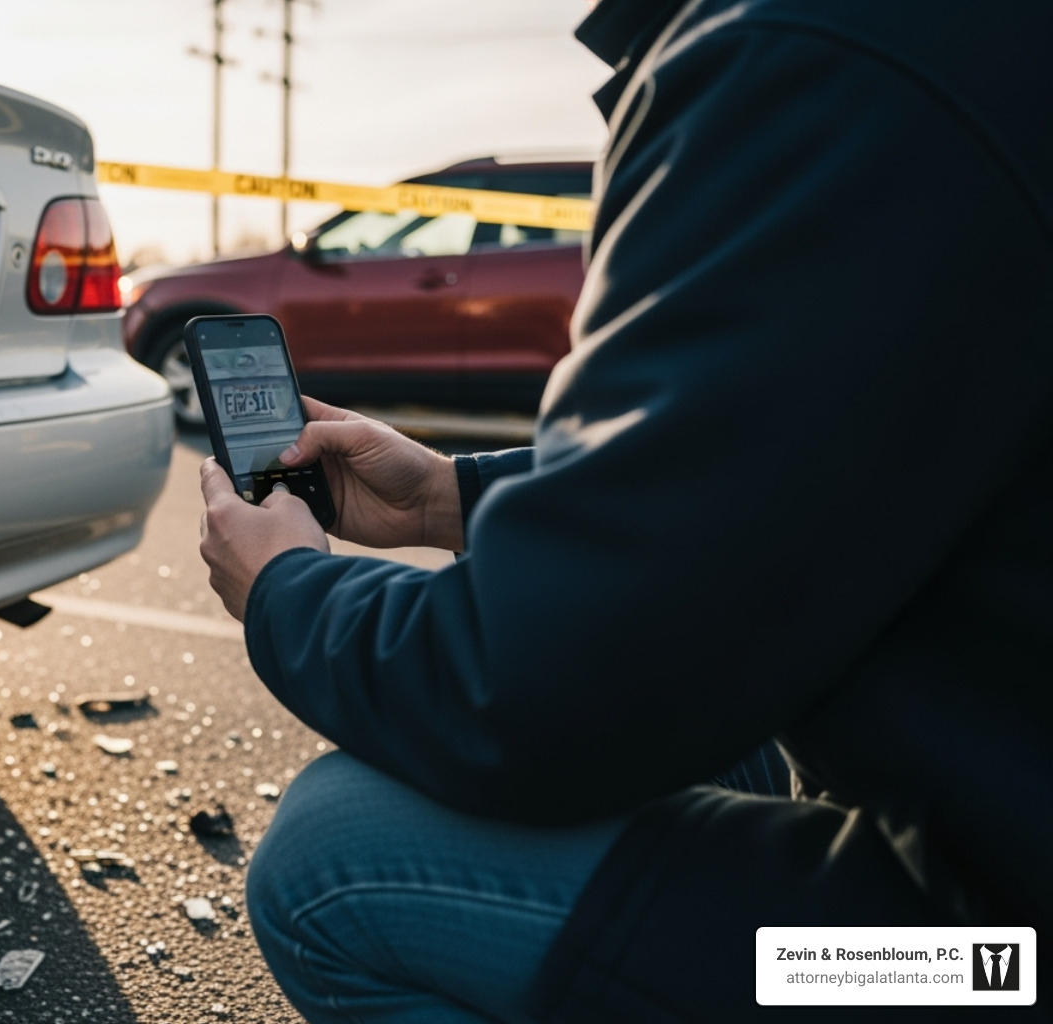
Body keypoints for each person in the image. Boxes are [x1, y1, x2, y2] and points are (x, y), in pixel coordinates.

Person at [196, 0, 1053, 1020]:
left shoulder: (806, 53)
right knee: (728, 730)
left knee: (332, 853)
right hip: (1008, 841)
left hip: (988, 961)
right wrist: (448, 496)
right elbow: (792, 468)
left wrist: (290, 591)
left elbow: (533, 698)